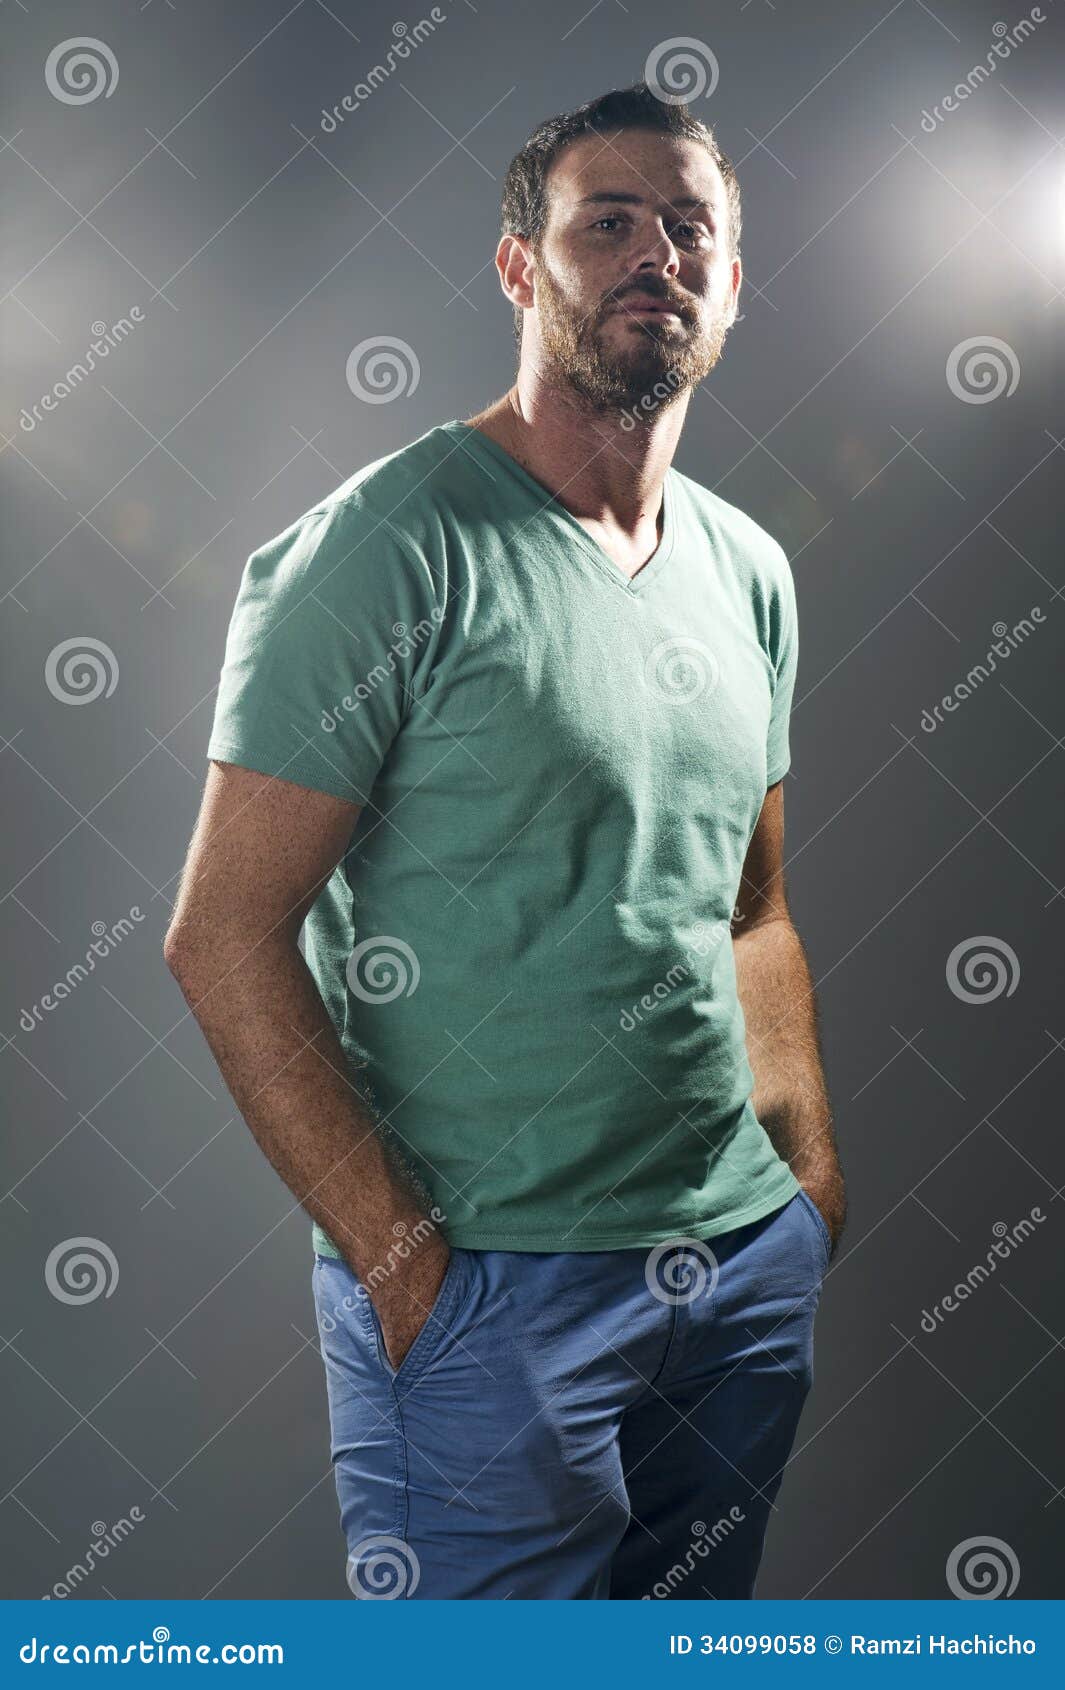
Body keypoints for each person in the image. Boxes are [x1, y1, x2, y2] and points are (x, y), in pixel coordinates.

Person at [164, 82, 845, 1600]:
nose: (651, 252)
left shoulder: (747, 570)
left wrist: (801, 1189)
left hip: (732, 1275)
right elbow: (219, 935)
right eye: (604, 221)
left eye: (689, 227)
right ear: (518, 269)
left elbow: (751, 911)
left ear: (731, 281)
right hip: (491, 1293)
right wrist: (407, 1273)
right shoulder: (383, 549)